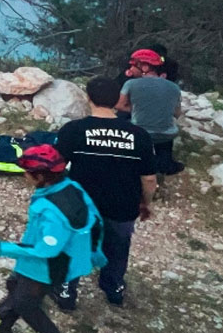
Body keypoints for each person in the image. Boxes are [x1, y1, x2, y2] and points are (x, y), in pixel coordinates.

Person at [54, 77, 157, 309]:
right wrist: (146, 203)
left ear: (88, 97)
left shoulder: (74, 130)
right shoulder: (138, 135)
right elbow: (149, 178)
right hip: (122, 206)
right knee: (118, 248)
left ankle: (66, 293)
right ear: (117, 101)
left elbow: (56, 167)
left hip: (82, 206)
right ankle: (114, 289)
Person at [0, 145, 106, 333]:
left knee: (26, 305)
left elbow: (46, 250)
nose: (25, 175)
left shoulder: (50, 210)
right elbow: (95, 219)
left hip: (44, 267)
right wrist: (95, 252)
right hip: (57, 260)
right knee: (15, 287)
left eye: (27, 172)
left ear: (40, 177)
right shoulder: (72, 186)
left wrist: (3, 248)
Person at [117, 48, 184, 175]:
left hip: (140, 134)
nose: (130, 70)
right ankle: (166, 164)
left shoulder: (131, 84)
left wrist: (137, 109)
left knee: (120, 118)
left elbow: (120, 106)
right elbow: (177, 113)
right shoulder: (174, 87)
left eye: (133, 66)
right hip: (166, 135)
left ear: (145, 67)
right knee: (165, 131)